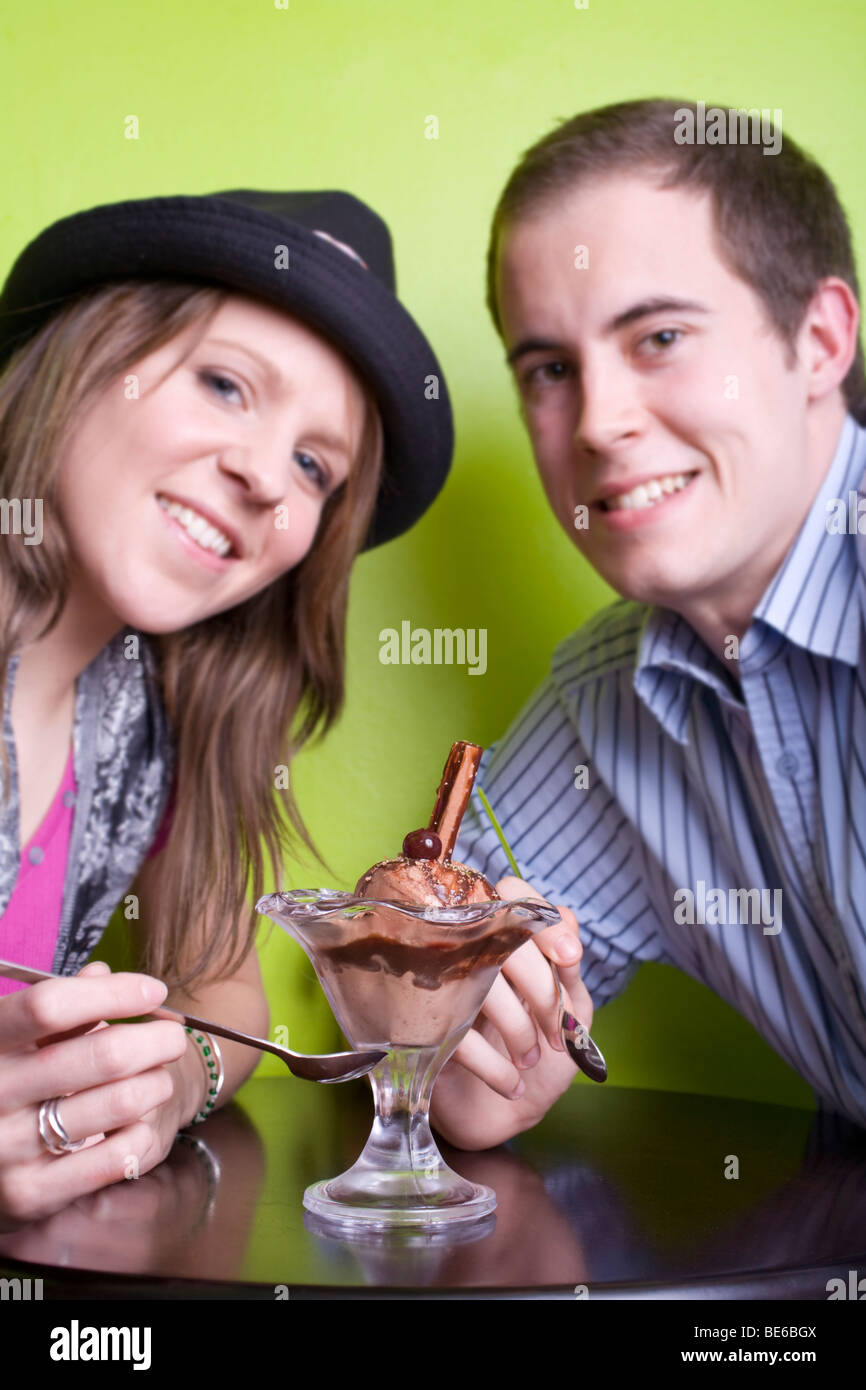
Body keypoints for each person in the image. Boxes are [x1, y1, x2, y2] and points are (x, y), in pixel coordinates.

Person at [0, 188, 586, 1228]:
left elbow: (222, 996)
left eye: (316, 464)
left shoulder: (162, 717)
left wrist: (175, 1080)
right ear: (90, 353)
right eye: (225, 384)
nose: (266, 475)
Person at [434, 97, 866, 1147]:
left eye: (658, 336)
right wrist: (473, 1049)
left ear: (817, 339)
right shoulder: (602, 707)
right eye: (548, 369)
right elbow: (452, 1055)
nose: (595, 422)